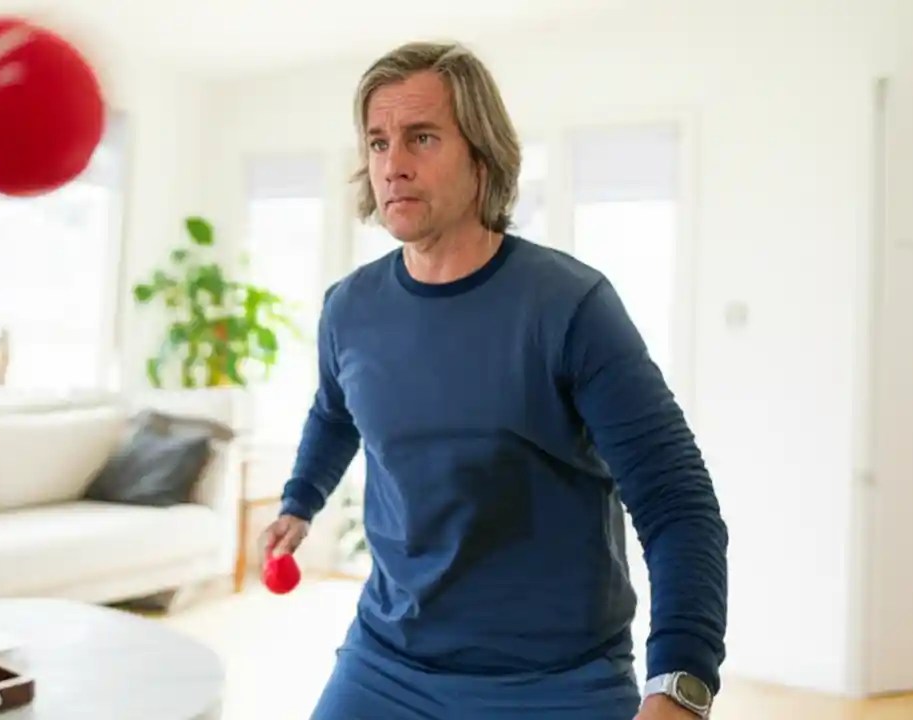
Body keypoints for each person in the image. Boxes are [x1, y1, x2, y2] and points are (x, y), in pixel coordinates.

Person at [259, 40, 728, 720]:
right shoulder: (349, 308)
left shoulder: (570, 307)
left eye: (421, 138)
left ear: (482, 156)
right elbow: (336, 411)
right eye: (378, 142)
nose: (393, 166)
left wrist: (680, 688)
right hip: (386, 663)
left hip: (557, 680)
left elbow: (677, 504)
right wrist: (299, 501)